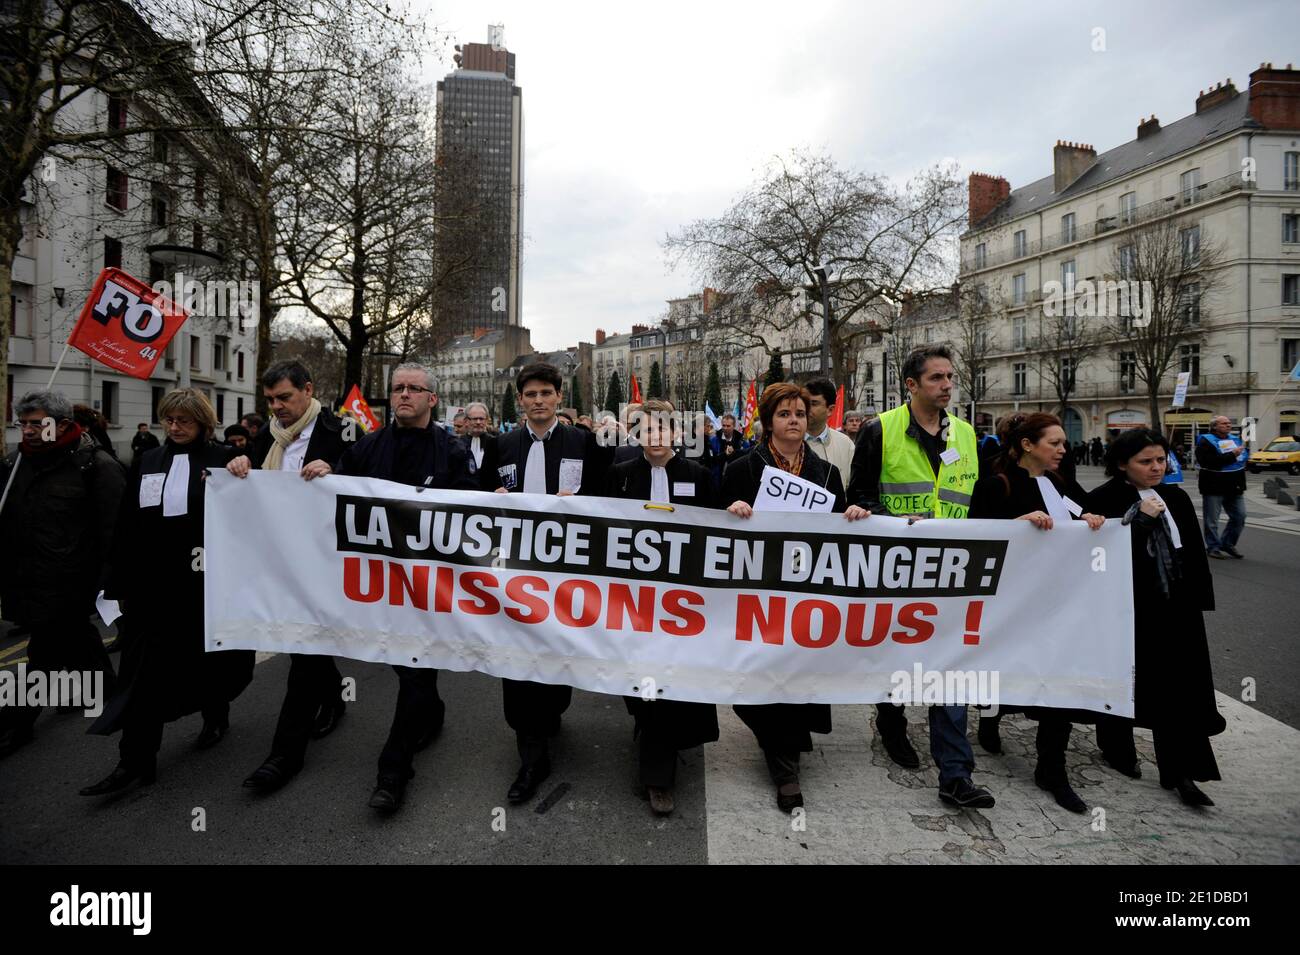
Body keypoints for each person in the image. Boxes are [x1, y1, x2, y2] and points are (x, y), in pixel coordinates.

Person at [81, 389, 255, 795]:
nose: (175, 427)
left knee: (207, 661)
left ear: (203, 423)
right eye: (169, 420)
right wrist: (116, 580)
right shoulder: (148, 461)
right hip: (152, 589)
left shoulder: (223, 459)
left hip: (203, 585)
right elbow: (127, 524)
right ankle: (135, 760)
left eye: (184, 421)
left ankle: (216, 711)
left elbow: (249, 512)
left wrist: (243, 466)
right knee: (142, 674)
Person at [847, 344, 993, 809]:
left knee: (950, 668)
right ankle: (891, 721)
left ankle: (955, 773)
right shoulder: (880, 431)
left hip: (952, 571)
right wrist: (890, 521)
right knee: (899, 657)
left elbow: (981, 502)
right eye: (936, 378)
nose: (947, 385)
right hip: (897, 569)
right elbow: (860, 497)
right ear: (911, 385)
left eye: (950, 377)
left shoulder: (968, 435)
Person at [330, 364, 476, 812]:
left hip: (430, 587)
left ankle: (393, 771)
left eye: (415, 389)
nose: (405, 395)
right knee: (406, 666)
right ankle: (432, 712)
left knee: (414, 665)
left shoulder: (452, 450)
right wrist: (322, 471)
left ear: (432, 399)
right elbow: (335, 491)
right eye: (398, 388)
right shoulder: (368, 446)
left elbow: (472, 508)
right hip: (380, 584)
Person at [722, 382, 868, 812]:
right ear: (769, 421)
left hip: (806, 590)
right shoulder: (743, 469)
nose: (794, 421)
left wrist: (854, 515)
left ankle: (784, 752)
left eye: (801, 414)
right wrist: (732, 512)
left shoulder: (826, 473)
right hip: (759, 589)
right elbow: (715, 527)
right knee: (764, 672)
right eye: (785, 414)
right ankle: (783, 762)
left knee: (798, 670)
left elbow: (840, 524)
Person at [481, 362, 613, 804]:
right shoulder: (502, 445)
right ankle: (531, 755)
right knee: (517, 658)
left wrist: (586, 503)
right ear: (520, 400)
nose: (537, 400)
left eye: (545, 393)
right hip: (515, 575)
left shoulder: (585, 443)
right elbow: (474, 498)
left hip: (566, 573)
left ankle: (552, 707)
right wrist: (490, 500)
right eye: (530, 394)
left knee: (555, 655)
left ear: (559, 397)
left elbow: (610, 498)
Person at [226, 359, 355, 794]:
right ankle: (334, 695)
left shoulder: (343, 433)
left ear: (308, 390)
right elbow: (250, 484)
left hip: (323, 563)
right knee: (304, 645)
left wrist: (337, 474)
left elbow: (371, 482)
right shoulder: (267, 438)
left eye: (284, 397)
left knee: (303, 651)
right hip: (278, 561)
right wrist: (239, 464)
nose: (277, 406)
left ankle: (284, 756)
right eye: (270, 400)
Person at [968, 412, 1106, 814]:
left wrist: (1092, 520)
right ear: (1028, 445)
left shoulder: (1063, 482)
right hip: (1013, 604)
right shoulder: (995, 485)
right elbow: (978, 538)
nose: (1064, 450)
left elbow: (1087, 514)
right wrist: (1017, 524)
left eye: (1064, 443)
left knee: (1058, 681)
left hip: (1060, 604)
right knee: (1009, 670)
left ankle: (1052, 768)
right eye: (1055, 443)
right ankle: (991, 716)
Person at [1084, 429, 1226, 807]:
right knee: (1125, 679)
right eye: (1146, 462)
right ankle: (1117, 747)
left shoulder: (1176, 496)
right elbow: (1096, 557)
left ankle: (1180, 772)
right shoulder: (1103, 499)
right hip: (1127, 608)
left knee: (1177, 689)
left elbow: (1192, 554)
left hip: (1175, 607)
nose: (1156, 467)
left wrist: (1196, 599)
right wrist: (1140, 523)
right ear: (1122, 464)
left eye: (1161, 460)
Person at [607, 398, 719, 816]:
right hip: (634, 599)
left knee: (671, 680)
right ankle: (654, 749)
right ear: (637, 435)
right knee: (642, 678)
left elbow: (718, 524)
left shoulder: (699, 475)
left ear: (677, 434)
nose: (655, 437)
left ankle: (659, 771)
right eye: (646, 430)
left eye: (662, 429)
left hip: (684, 599)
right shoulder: (619, 476)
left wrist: (737, 511)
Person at [0, 391, 125, 757]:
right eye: (22, 424)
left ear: (64, 424)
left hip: (71, 582)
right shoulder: (13, 466)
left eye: (37, 424)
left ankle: (15, 724)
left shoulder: (96, 466)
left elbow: (115, 532)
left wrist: (109, 583)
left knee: (44, 649)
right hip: (26, 578)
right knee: (76, 639)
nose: (29, 431)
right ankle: (106, 692)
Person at [1195, 415, 1247, 559]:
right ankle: (1213, 547)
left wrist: (1242, 455)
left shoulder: (1235, 439)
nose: (1228, 425)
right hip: (1214, 486)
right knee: (1212, 520)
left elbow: (1241, 461)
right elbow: (1207, 462)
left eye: (1229, 423)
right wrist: (1232, 455)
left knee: (1240, 516)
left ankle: (1228, 543)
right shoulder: (1205, 441)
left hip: (1234, 485)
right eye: (1224, 423)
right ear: (1214, 426)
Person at [803, 377, 857, 489]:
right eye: (804, 402)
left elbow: (853, 488)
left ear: (830, 410)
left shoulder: (845, 445)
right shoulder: (788, 441)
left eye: (814, 403)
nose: (806, 408)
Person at [461, 401, 493, 475]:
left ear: (487, 421)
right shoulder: (457, 443)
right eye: (475, 419)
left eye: (481, 419)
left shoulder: (495, 442)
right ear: (466, 421)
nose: (478, 422)